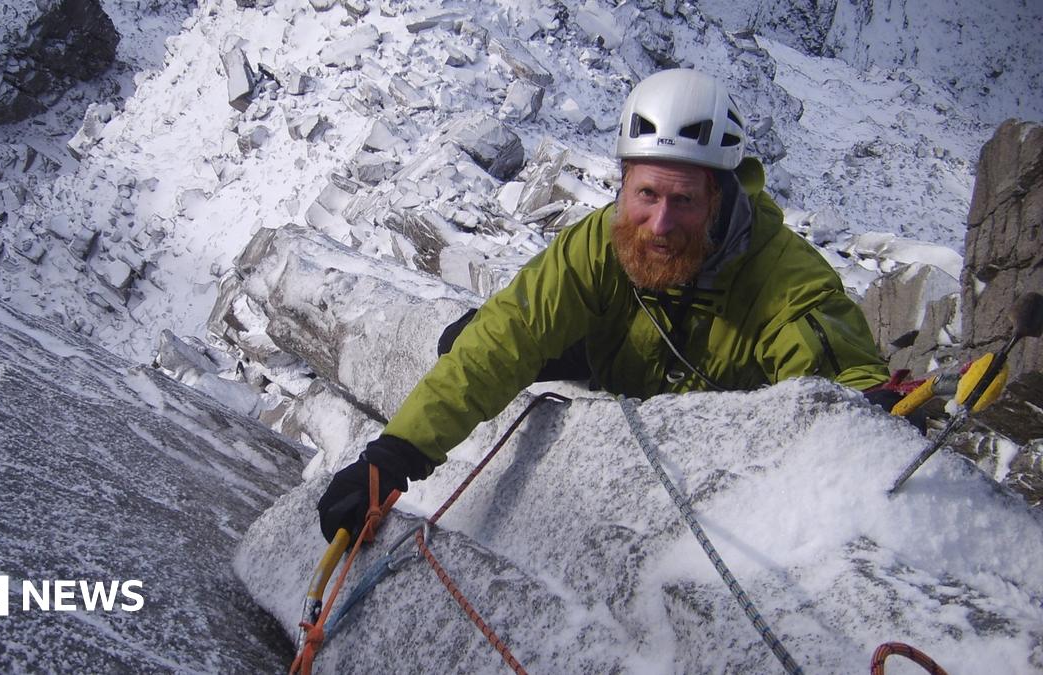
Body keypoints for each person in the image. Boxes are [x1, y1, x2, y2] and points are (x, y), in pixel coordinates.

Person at [317, 68, 891, 542]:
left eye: (684, 200)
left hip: (711, 452)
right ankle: (579, 353)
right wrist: (391, 458)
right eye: (646, 194)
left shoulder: (782, 279)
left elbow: (844, 393)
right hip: (620, 366)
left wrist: (879, 412)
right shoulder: (601, 242)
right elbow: (507, 333)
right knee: (467, 340)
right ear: (622, 183)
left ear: (721, 197)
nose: (659, 224)